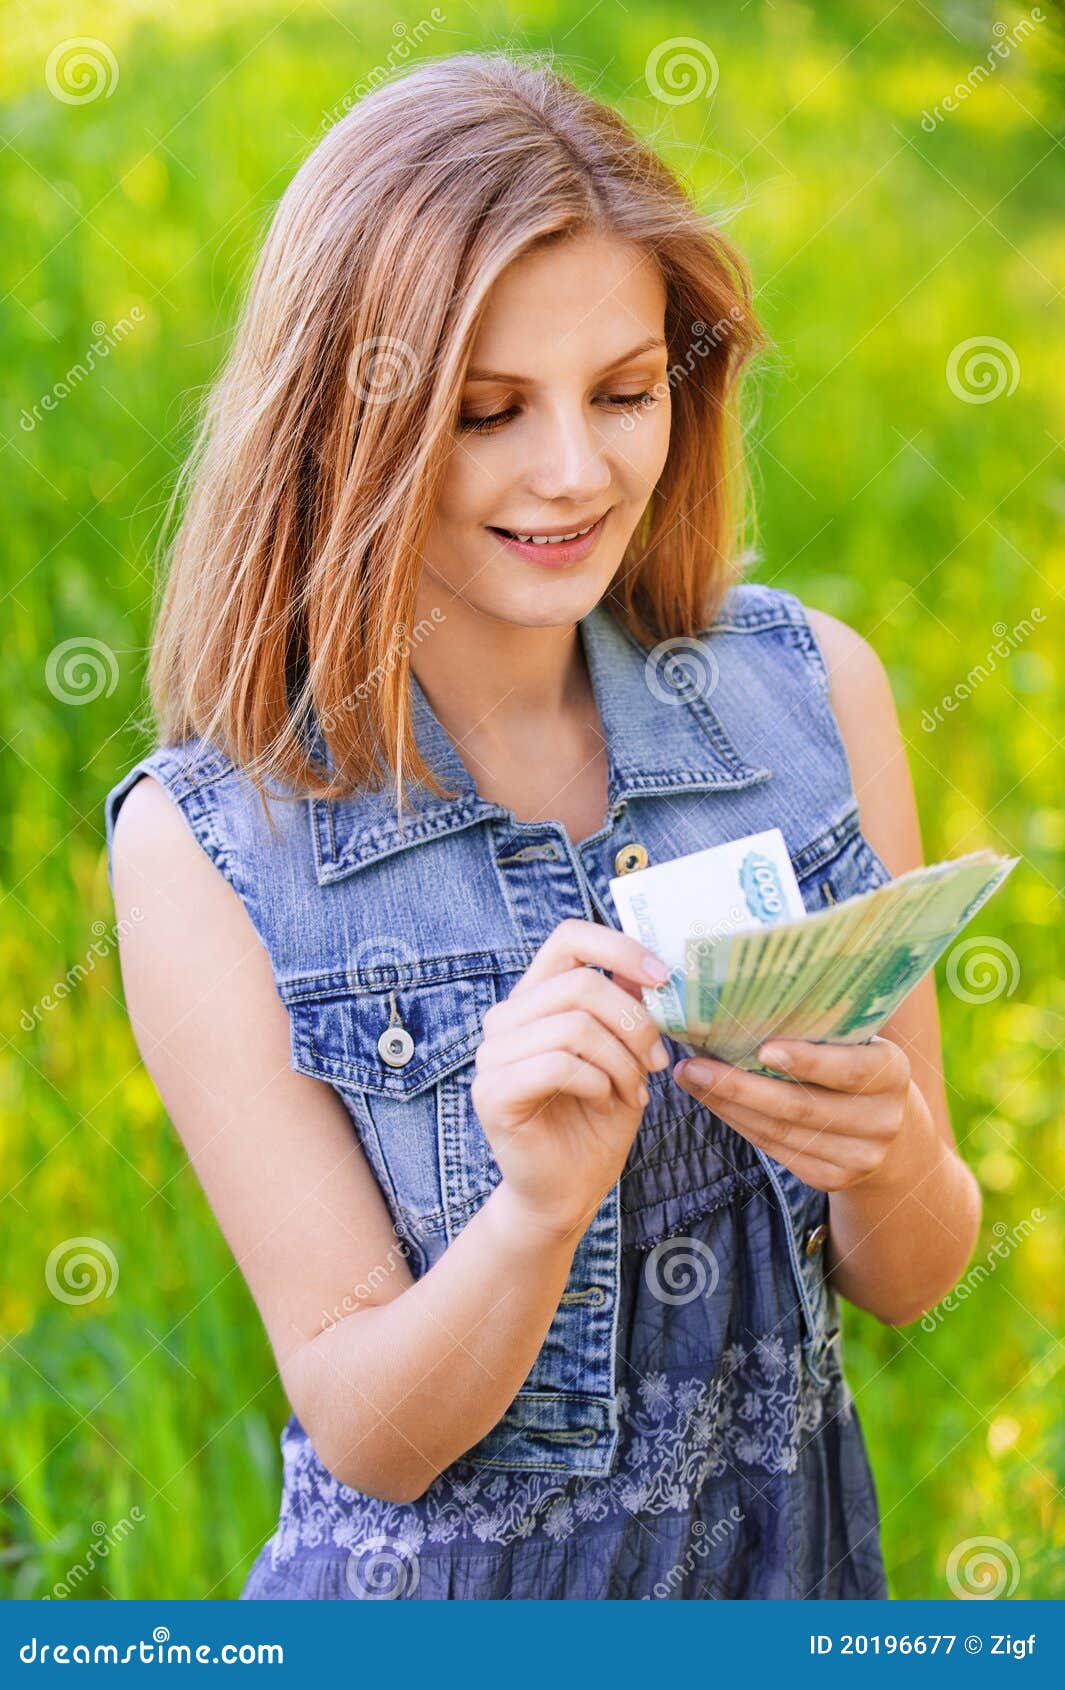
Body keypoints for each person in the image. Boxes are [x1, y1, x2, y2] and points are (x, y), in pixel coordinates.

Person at [104, 51, 981, 1600]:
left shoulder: (809, 699)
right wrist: (533, 1214)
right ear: (339, 421)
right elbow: (370, 1431)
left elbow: (907, 1273)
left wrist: (891, 1156)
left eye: (625, 392)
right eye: (488, 411)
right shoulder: (208, 844)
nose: (573, 472)